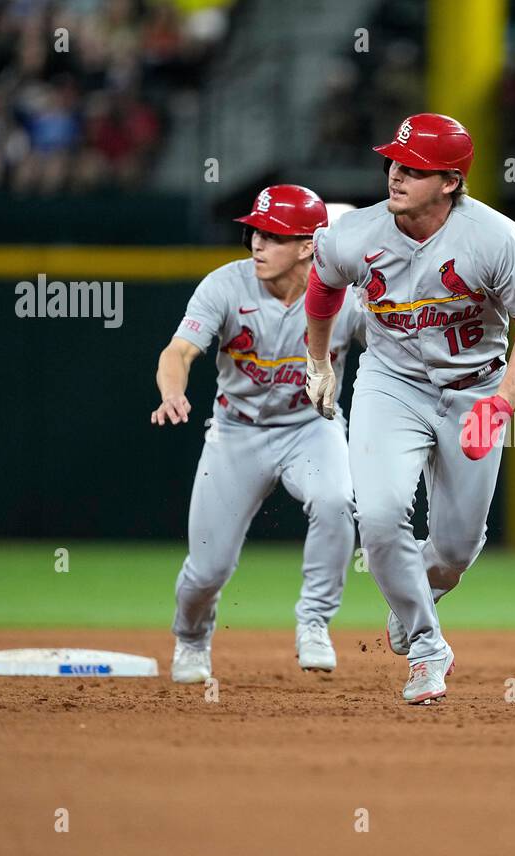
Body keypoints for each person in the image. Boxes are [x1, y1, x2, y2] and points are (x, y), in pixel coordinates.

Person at [302, 113, 515, 704]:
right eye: (394, 162)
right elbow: (323, 288)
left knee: (456, 550)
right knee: (382, 514)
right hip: (391, 383)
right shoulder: (355, 234)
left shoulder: (495, 238)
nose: (396, 174)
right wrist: (319, 362)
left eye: (414, 169)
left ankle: (414, 591)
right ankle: (425, 646)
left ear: (449, 182)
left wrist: (501, 403)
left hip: (476, 385)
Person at [152, 184, 365, 683]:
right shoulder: (226, 285)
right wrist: (171, 391)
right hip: (236, 433)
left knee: (336, 500)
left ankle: (313, 621)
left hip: (312, 425)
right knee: (207, 570)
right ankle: (190, 637)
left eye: (273, 236)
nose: (256, 245)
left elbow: (397, 352)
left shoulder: (347, 296)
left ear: (308, 246)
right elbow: (177, 352)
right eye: (254, 233)